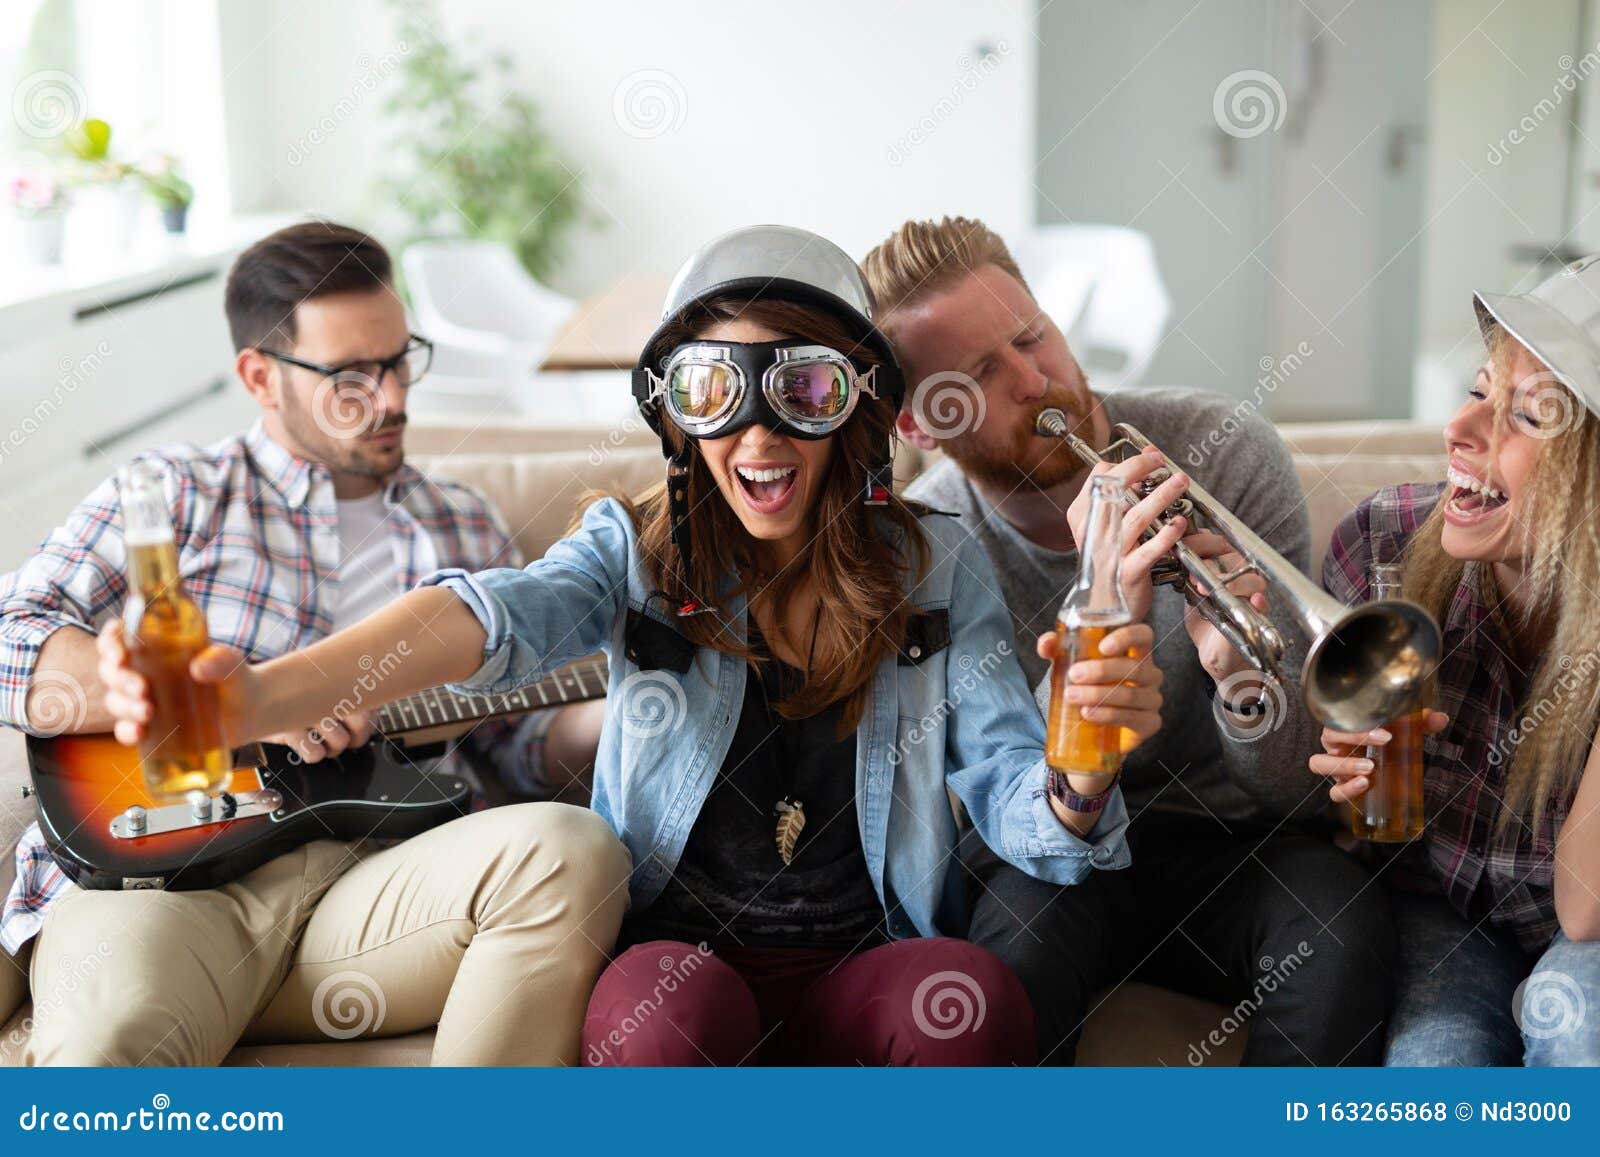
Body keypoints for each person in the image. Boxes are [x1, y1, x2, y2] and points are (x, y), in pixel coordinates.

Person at [103, 225, 1168, 1066]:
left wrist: (1080, 771)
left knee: (966, 1000)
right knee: (661, 1017)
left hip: (866, 957)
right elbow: (485, 617)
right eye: (716, 391)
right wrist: (258, 697)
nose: (758, 435)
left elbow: (1031, 815)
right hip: (680, 960)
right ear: (674, 415)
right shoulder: (632, 554)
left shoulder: (936, 566)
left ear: (858, 410)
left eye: (802, 390)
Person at [0, 220, 630, 1065]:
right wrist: (164, 696)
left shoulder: (464, 524)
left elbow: (513, 747)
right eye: (351, 377)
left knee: (573, 850)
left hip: (379, 890)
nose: (395, 397)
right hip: (168, 873)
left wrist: (630, 703)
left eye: (401, 359)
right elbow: (13, 632)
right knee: (114, 1046)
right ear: (260, 377)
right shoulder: (176, 494)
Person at [860, 215, 1397, 1065]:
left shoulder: (1224, 454)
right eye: (979, 376)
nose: (1036, 380)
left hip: (1236, 841)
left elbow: (1301, 795)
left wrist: (1242, 684)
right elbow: (993, 805)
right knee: (1007, 971)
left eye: (1033, 336)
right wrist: (1097, 598)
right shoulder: (926, 544)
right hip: (1054, 855)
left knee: (1341, 930)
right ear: (918, 425)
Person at [1304, 260, 1600, 1065]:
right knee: (1436, 1079)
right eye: (1479, 391)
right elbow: (1334, 837)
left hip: (1588, 933)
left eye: (1530, 417)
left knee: (1578, 1030)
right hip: (1446, 919)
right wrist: (1338, 786)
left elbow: (1585, 912)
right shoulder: (1382, 546)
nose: (1462, 433)